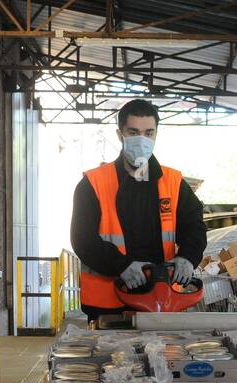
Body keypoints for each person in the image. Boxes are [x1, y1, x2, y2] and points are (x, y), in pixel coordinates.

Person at [70, 99, 207, 324]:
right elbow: (82, 239)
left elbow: (194, 226)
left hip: (162, 302)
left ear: (156, 135)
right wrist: (121, 265)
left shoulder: (173, 183)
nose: (142, 140)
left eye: (149, 133)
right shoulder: (92, 184)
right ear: (119, 134)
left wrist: (188, 257)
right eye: (134, 132)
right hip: (108, 308)